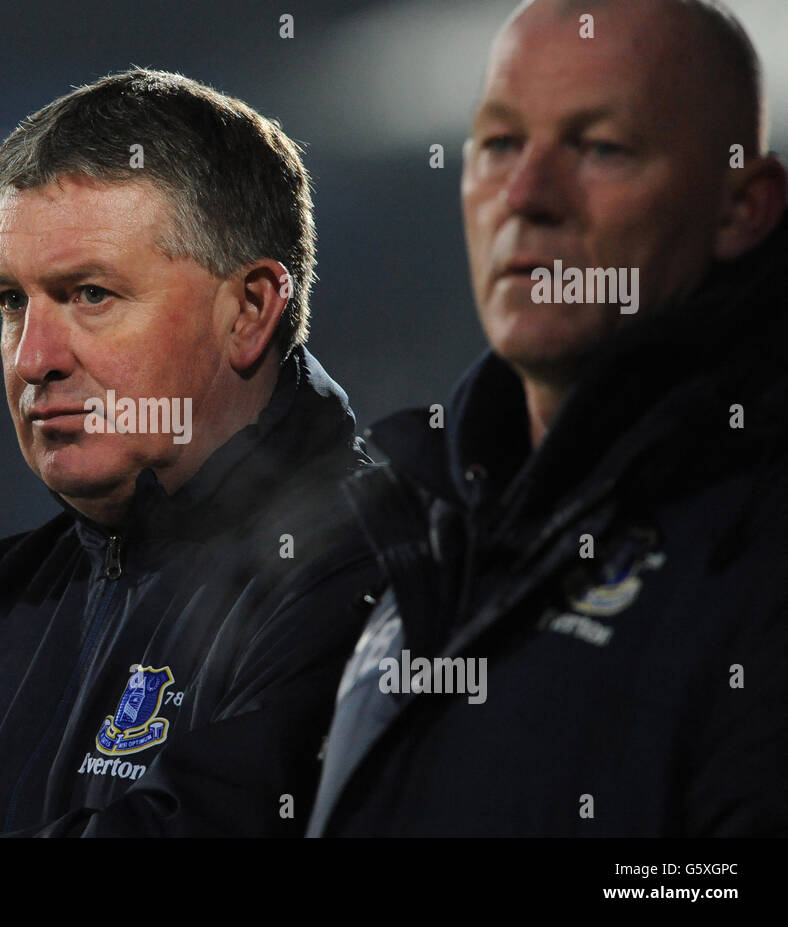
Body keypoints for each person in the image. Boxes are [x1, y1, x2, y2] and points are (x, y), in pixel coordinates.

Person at [0, 68, 379, 836]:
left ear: (250, 310)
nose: (34, 358)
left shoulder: (372, 582)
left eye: (91, 294)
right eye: (13, 301)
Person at [309, 0, 788, 837]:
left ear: (743, 205)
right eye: (499, 144)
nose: (525, 195)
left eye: (600, 147)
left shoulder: (759, 540)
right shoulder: (415, 521)